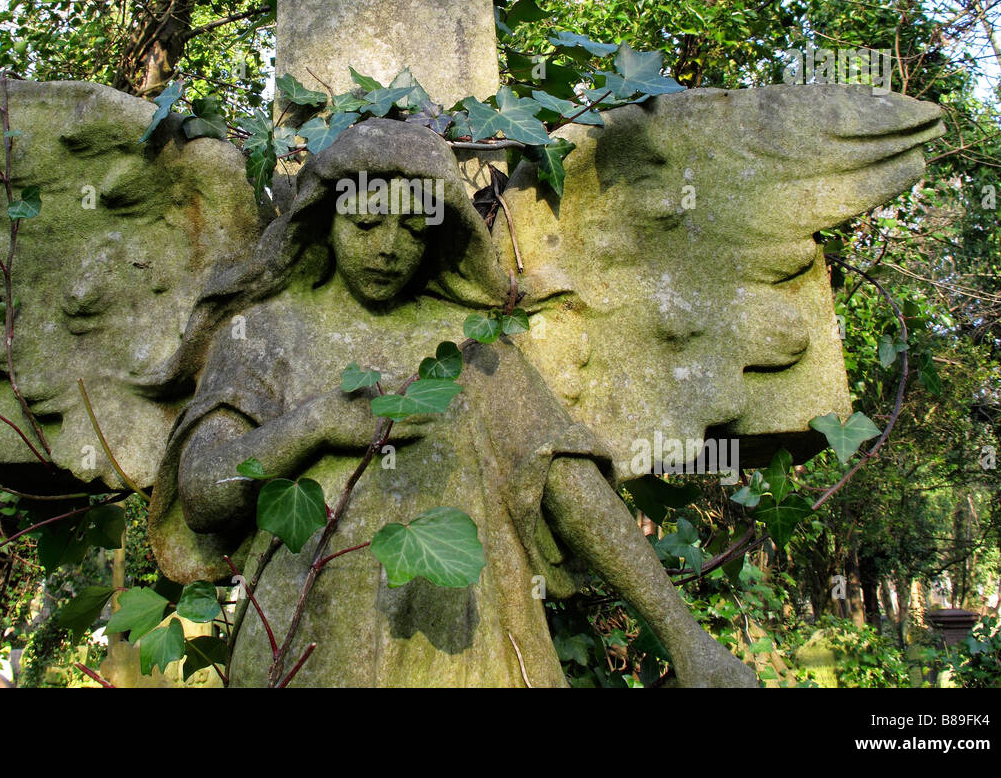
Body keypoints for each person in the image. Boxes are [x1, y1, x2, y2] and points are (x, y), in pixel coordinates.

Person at [149, 118, 757, 687]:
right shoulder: (263, 334)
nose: (389, 248)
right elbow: (202, 492)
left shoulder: (466, 346)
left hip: (467, 643)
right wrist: (316, 424)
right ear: (325, 219)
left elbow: (564, 477)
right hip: (308, 641)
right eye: (366, 225)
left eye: (413, 229)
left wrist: (687, 641)